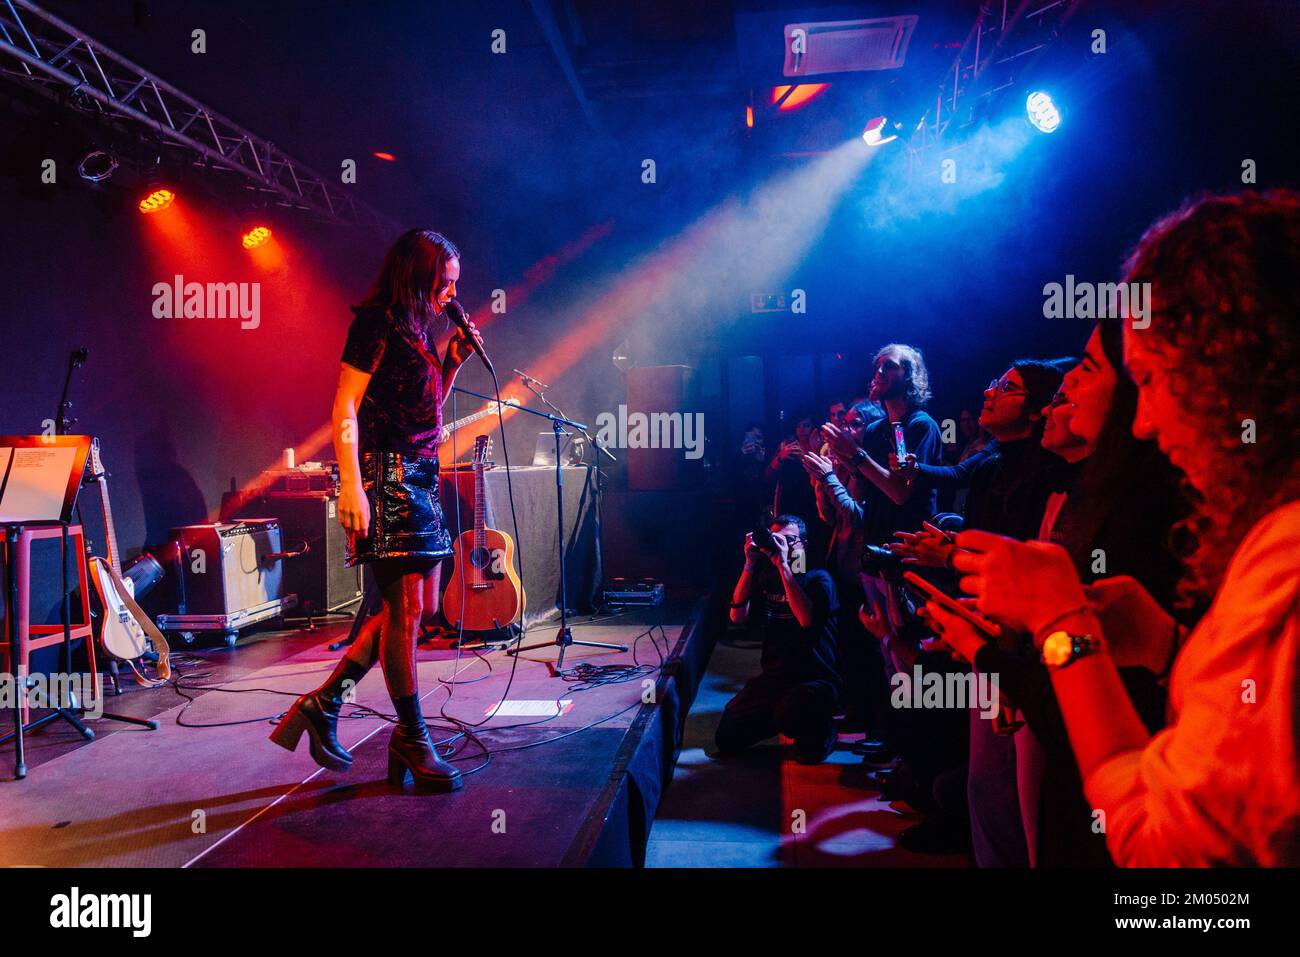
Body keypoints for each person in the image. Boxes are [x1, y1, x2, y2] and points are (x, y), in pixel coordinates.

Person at [931, 190, 1300, 865]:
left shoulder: (1285, 560)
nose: (1144, 422)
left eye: (1152, 379)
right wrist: (1165, 645)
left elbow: (1163, 849)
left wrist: (1065, 627)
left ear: (1228, 370)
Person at [270, 229, 483, 793]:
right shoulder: (377, 323)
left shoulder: (418, 332)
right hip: (386, 477)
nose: (452, 294)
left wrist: (452, 364)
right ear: (420, 274)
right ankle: (412, 739)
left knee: (421, 609)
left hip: (421, 475)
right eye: (447, 282)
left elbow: (426, 412)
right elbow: (344, 405)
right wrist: (351, 486)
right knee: (406, 611)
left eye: (456, 285)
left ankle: (323, 704)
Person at [716, 515, 842, 764]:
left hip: (815, 680)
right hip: (776, 678)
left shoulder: (819, 579)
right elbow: (737, 616)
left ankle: (824, 730)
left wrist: (785, 567)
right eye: (777, 539)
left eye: (790, 539)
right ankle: (781, 717)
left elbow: (806, 620)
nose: (783, 544)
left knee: (797, 722)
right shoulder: (767, 577)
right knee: (727, 738)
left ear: (803, 544)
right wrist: (749, 564)